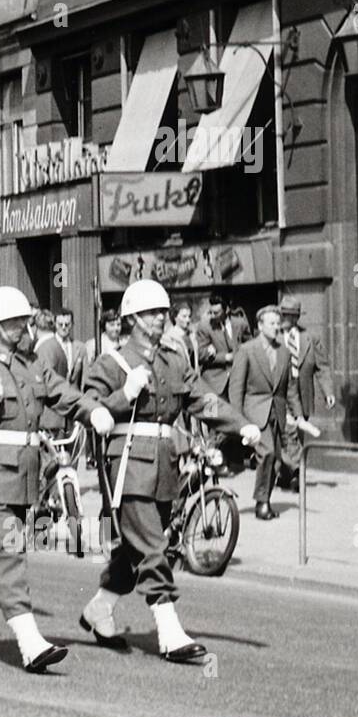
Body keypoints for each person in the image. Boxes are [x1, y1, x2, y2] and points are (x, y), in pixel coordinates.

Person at [0, 286, 115, 673]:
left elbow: (63, 393)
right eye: (15, 321)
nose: (22, 327)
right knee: (10, 555)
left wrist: (92, 411)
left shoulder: (31, 365)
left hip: (25, 476)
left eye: (24, 321)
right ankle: (30, 642)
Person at [80, 279, 260, 662]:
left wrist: (238, 424)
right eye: (150, 313)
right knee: (153, 548)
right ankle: (169, 631)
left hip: (164, 466)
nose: (159, 319)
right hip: (128, 463)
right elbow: (90, 409)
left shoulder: (173, 359)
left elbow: (203, 401)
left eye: (163, 312)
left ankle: (99, 608)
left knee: (135, 550)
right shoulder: (111, 363)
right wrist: (123, 395)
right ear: (131, 319)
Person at [229, 305, 302, 521]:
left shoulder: (284, 352)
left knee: (277, 459)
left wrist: (297, 413)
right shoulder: (247, 350)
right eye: (271, 323)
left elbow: (289, 388)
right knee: (267, 452)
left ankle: (265, 498)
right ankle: (262, 503)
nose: (276, 327)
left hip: (276, 412)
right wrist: (238, 420)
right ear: (260, 326)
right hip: (254, 412)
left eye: (278, 323)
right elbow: (236, 387)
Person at [276, 295, 335, 491]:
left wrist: (328, 392)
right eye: (282, 314)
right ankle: (295, 472)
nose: (283, 318)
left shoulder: (310, 338)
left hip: (303, 394)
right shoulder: (274, 338)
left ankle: (286, 474)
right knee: (285, 432)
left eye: (287, 315)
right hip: (281, 394)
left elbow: (322, 366)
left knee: (297, 435)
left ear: (295, 318)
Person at [195, 294, 248, 397]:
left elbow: (250, 346)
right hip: (212, 385)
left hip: (238, 383)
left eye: (216, 313)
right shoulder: (204, 327)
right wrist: (225, 357)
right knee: (210, 413)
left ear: (227, 310)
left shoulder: (241, 324)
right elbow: (200, 354)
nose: (213, 316)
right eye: (211, 312)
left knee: (235, 413)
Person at [53, 309, 84, 387]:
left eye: (67, 324)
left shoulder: (80, 347)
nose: (63, 328)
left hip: (74, 395)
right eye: (60, 324)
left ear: (72, 324)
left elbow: (84, 378)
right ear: (54, 324)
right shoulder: (49, 346)